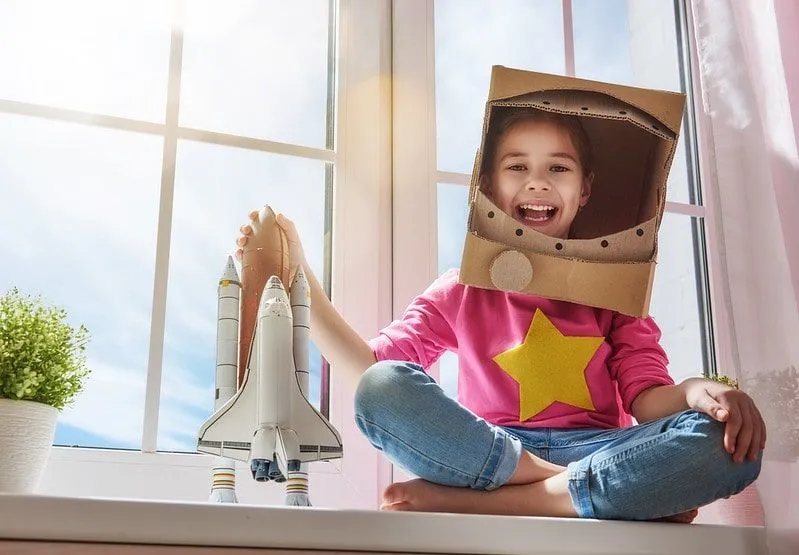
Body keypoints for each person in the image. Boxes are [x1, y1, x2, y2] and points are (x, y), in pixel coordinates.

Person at [235, 108, 765, 522]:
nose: (537, 182)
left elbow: (648, 398)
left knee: (727, 447)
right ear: (489, 190)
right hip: (492, 452)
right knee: (381, 388)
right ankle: (587, 489)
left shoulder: (613, 290)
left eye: (557, 168)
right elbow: (369, 369)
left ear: (583, 190)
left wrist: (697, 391)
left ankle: (505, 502)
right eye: (518, 167)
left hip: (598, 446)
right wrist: (303, 279)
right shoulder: (463, 286)